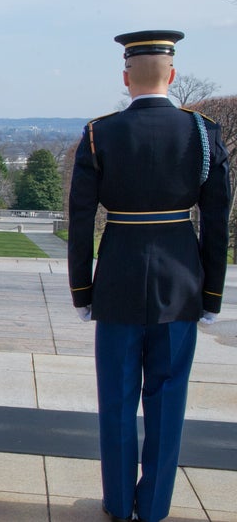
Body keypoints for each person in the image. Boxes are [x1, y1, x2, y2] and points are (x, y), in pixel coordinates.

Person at [68, 30, 229, 522]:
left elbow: (79, 218)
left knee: (117, 399)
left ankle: (118, 503)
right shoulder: (203, 133)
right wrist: (212, 292)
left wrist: (81, 288)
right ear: (173, 74)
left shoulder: (100, 133)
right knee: (167, 400)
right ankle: (155, 506)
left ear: (125, 76)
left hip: (116, 278)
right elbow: (217, 220)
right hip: (180, 283)